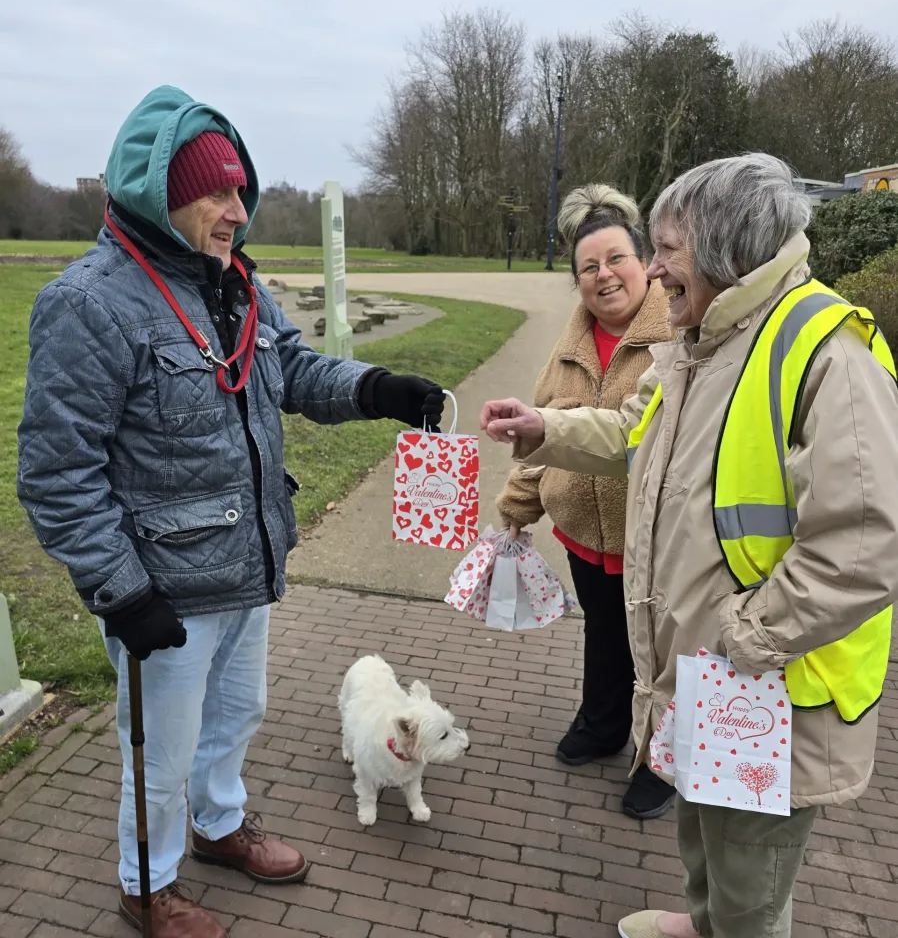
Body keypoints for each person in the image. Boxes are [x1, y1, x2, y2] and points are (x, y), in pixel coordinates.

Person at [17, 85, 446, 938]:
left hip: (245, 567)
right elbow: (56, 472)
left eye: (239, 191)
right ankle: (145, 885)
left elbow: (288, 367)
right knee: (162, 753)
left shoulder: (235, 284)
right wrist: (120, 592)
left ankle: (218, 828)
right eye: (217, 192)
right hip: (161, 590)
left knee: (237, 715)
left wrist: (375, 389)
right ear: (158, 194)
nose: (235, 210)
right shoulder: (90, 302)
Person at [480, 153, 898, 938]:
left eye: (666, 247)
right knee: (706, 824)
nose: (653, 266)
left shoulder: (823, 351)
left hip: (774, 678)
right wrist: (546, 430)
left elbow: (868, 542)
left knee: (754, 875)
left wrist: (744, 637)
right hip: (715, 669)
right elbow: (636, 437)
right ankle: (705, 921)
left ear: (725, 246)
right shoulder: (703, 340)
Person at [495, 184, 674, 818]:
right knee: (603, 634)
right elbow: (541, 428)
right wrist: (518, 510)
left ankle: (661, 761)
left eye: (617, 258)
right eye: (589, 267)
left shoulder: (677, 337)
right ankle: (602, 727)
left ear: (645, 260)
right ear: (577, 282)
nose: (605, 276)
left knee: (659, 650)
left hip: (649, 536)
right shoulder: (569, 345)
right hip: (583, 533)